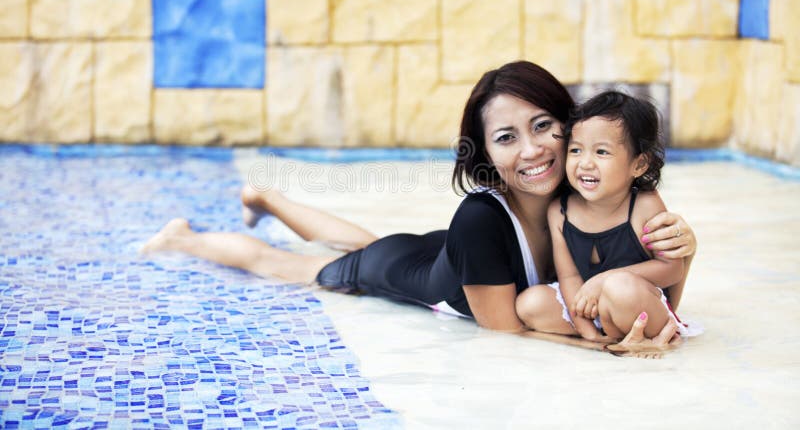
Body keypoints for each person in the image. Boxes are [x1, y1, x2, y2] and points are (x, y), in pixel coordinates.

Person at [142, 61, 697, 350]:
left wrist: (684, 251)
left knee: (365, 241)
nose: (532, 151)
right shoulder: (481, 218)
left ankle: (266, 197)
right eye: (506, 138)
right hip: (418, 272)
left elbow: (647, 274)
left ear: (569, 126)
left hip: (452, 254)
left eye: (543, 126)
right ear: (485, 152)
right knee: (306, 264)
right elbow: (505, 333)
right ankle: (184, 237)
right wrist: (607, 351)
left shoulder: (587, 185)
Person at [515, 91, 693, 343]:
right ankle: (608, 338)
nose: (585, 163)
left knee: (619, 288)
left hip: (638, 304)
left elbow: (672, 269)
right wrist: (587, 332)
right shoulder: (560, 211)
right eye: (576, 150)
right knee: (529, 303)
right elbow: (569, 278)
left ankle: (639, 334)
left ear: (639, 165)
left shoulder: (644, 205)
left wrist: (603, 281)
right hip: (592, 307)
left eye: (601, 152)